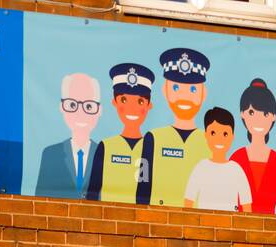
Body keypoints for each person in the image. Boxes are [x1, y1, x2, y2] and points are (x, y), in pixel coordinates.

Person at [136, 48, 211, 207]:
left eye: (193, 89)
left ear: (203, 94)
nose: (185, 98)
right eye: (176, 88)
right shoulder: (153, 138)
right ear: (165, 91)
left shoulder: (211, 140)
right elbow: (142, 185)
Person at [85, 63, 154, 204]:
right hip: (109, 217)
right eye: (124, 100)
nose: (132, 109)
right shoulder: (106, 146)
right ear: (114, 102)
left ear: (149, 106)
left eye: (140, 101)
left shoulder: (151, 146)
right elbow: (93, 191)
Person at [229, 78, 276, 215]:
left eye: (265, 114)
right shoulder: (236, 159)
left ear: (273, 117)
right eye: (251, 112)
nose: (258, 120)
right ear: (242, 114)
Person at [35, 73, 101, 199]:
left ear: (99, 110)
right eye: (72, 105)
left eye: (88, 106)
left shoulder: (103, 154)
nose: (80, 113)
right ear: (62, 107)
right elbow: (40, 197)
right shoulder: (51, 154)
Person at [183, 107, 252, 212]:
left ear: (232, 137)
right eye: (213, 133)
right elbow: (188, 201)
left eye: (225, 134)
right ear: (206, 134)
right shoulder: (201, 167)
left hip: (230, 225)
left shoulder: (236, 169)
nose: (219, 139)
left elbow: (247, 205)